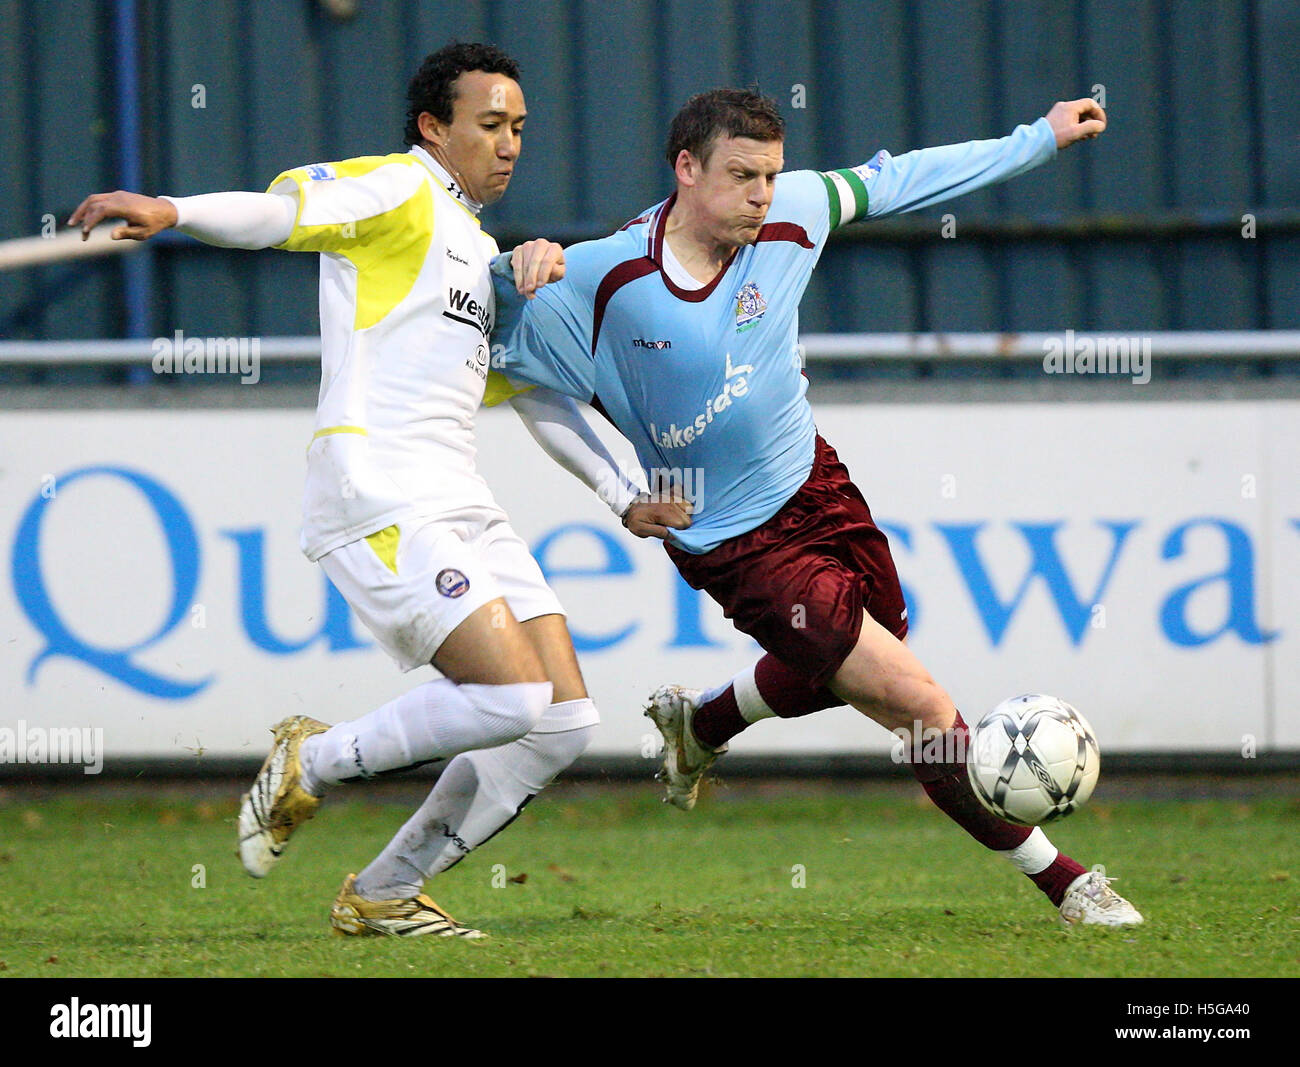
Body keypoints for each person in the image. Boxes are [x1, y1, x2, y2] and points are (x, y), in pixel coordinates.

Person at [490, 88, 1142, 926]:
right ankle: (1067, 882)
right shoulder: (603, 276)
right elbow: (521, 378)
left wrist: (1038, 139)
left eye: (770, 173)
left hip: (817, 485)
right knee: (921, 706)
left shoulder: (794, 211)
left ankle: (704, 724)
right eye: (741, 175)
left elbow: (906, 179)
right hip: (732, 539)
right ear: (685, 169)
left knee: (869, 663)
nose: (762, 194)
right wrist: (619, 489)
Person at [69, 42, 674, 939]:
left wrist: (623, 491)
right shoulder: (399, 189)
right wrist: (174, 209)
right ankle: (313, 757)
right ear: (434, 127)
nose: (509, 145)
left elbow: (535, 391)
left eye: (519, 129)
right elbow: (283, 216)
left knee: (562, 719)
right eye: (490, 125)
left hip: (456, 492)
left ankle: (385, 890)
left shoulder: (475, 247)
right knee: (508, 700)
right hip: (378, 485)